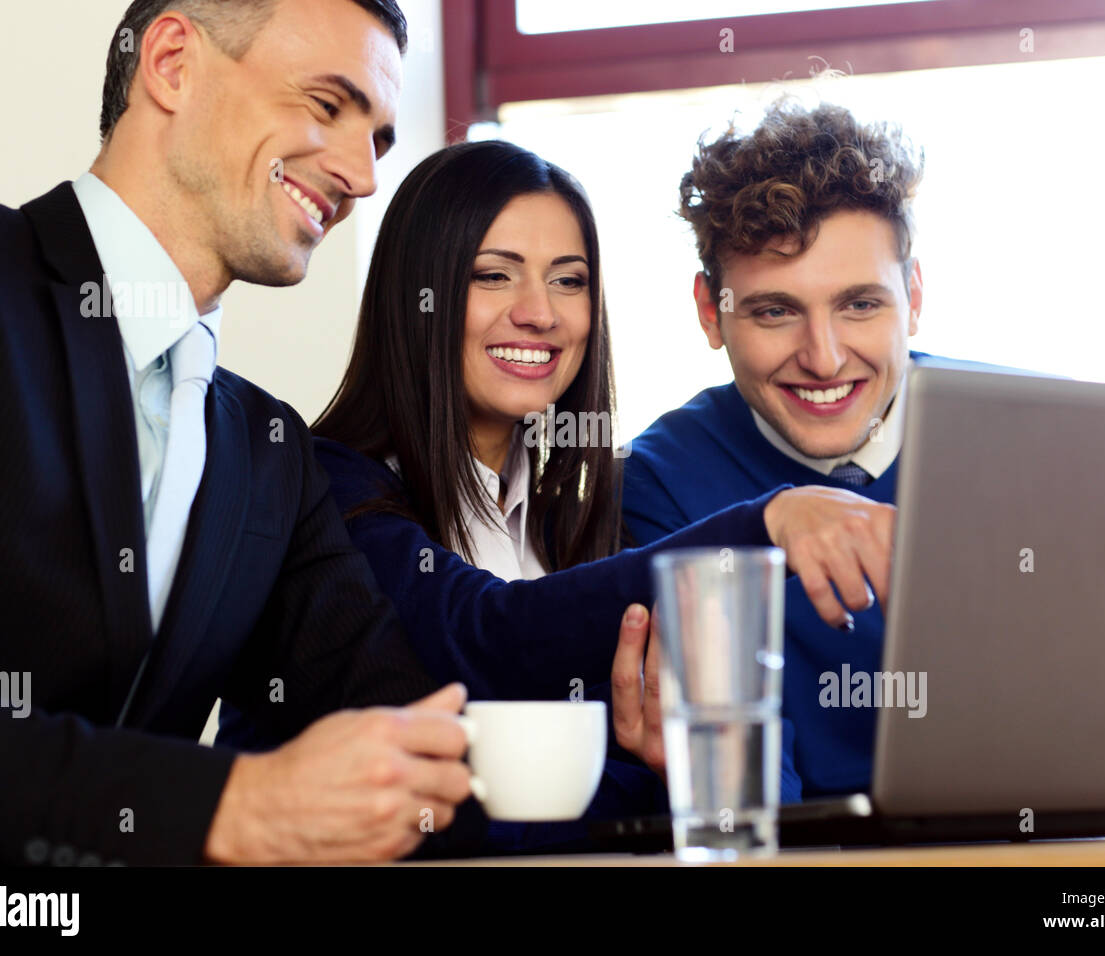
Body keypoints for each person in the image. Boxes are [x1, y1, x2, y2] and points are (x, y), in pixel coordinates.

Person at [0, 0, 480, 866]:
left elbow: (396, 711)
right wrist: (235, 805)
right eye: (328, 106)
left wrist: (600, 744)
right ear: (174, 63)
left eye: (377, 140)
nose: (362, 177)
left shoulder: (268, 449)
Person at [221, 140, 825, 842]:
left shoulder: (577, 525)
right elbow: (488, 645)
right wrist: (765, 526)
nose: (540, 313)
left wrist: (671, 770)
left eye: (569, 281)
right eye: (493, 276)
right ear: (418, 296)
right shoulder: (325, 488)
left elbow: (760, 769)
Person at [622, 101, 1021, 801]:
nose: (825, 358)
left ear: (915, 296)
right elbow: (743, 788)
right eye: (776, 311)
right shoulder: (662, 480)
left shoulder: (1026, 438)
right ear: (711, 312)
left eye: (860, 305)